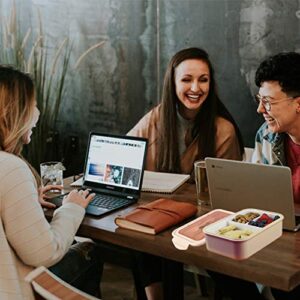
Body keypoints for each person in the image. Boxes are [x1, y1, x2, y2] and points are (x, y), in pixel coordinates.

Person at [128, 47, 244, 300]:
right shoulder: (157, 117)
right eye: (186, 79)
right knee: (137, 236)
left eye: (203, 80)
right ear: (172, 83)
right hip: (159, 215)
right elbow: (126, 154)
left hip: (204, 222)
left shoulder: (223, 130)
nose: (195, 88)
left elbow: (228, 195)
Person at [0, 65, 103, 299]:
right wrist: (72, 207)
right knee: (89, 252)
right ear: (15, 112)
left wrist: (26, 201)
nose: (38, 112)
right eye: (33, 105)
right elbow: (43, 253)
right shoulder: (11, 167)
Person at [210, 52, 300, 300]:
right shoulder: (266, 135)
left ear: (298, 103)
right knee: (215, 257)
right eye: (260, 100)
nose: (260, 109)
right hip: (275, 234)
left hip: (291, 246)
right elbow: (254, 197)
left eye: (269, 101)